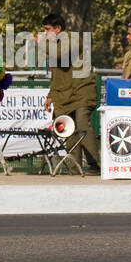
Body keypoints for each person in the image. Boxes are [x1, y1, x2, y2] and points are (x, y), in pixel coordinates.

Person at [42, 11, 100, 172]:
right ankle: (75, 170)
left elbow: (60, 54)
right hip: (66, 95)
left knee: (82, 125)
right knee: (70, 130)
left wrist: (42, 43)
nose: (45, 33)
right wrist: (50, 96)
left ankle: (97, 165)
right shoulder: (55, 45)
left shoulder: (72, 39)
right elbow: (57, 75)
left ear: (58, 28)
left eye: (47, 29)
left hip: (82, 92)